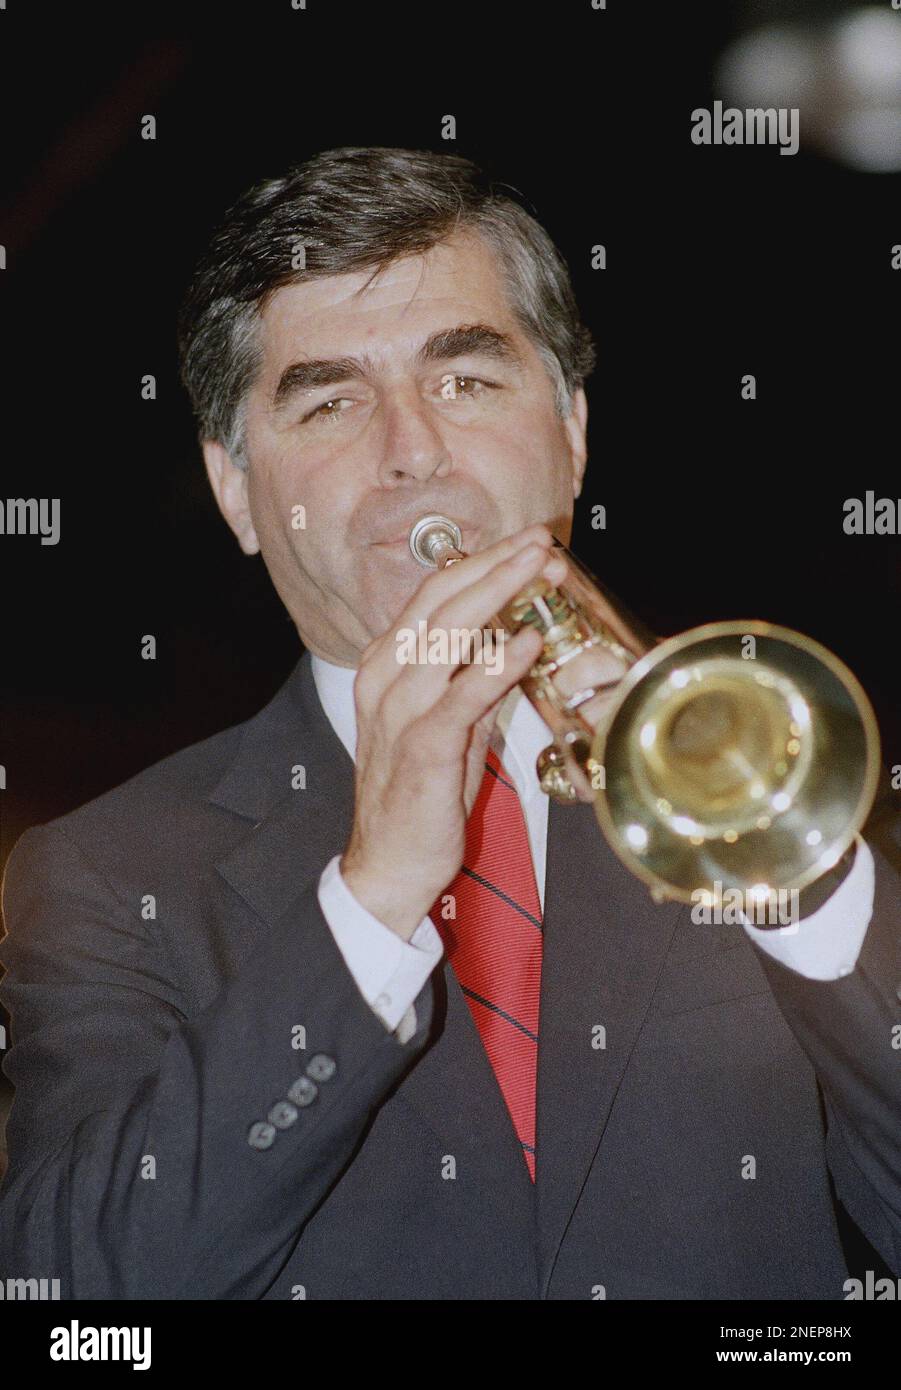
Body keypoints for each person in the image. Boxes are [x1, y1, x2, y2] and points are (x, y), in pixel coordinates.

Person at [1, 147, 898, 1300]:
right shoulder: (98, 873)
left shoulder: (753, 788)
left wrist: (788, 868)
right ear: (235, 490)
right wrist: (368, 906)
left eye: (466, 381)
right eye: (330, 401)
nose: (412, 451)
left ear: (570, 432)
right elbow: (77, 1302)